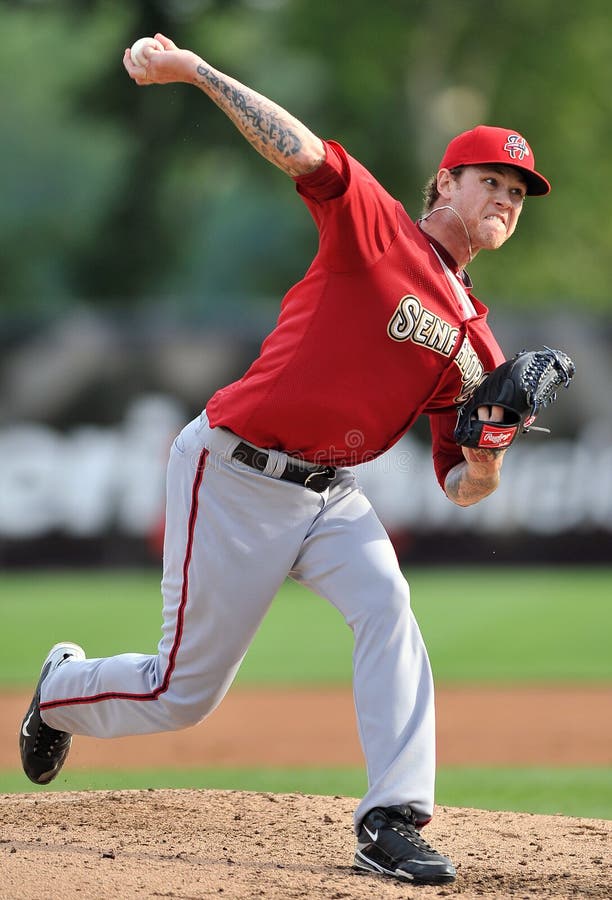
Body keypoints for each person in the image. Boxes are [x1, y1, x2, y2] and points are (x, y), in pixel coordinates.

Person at [20, 33, 551, 886]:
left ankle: (393, 818)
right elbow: (299, 149)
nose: (506, 197)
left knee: (388, 606)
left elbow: (460, 486)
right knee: (180, 695)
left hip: (329, 494)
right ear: (443, 183)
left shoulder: (477, 343)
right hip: (232, 468)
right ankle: (60, 690)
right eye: (490, 177)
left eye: (518, 191)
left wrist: (491, 444)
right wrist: (194, 71)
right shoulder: (378, 229)